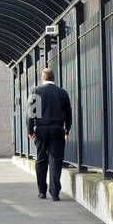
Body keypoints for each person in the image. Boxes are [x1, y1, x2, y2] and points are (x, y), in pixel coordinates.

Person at [28, 68, 72, 201]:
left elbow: (31, 113)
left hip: (41, 129)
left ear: (43, 78)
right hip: (57, 129)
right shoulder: (62, 93)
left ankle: (42, 191)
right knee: (55, 160)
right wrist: (66, 130)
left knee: (41, 159)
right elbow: (68, 113)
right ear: (54, 78)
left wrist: (30, 130)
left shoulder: (37, 91)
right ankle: (55, 193)